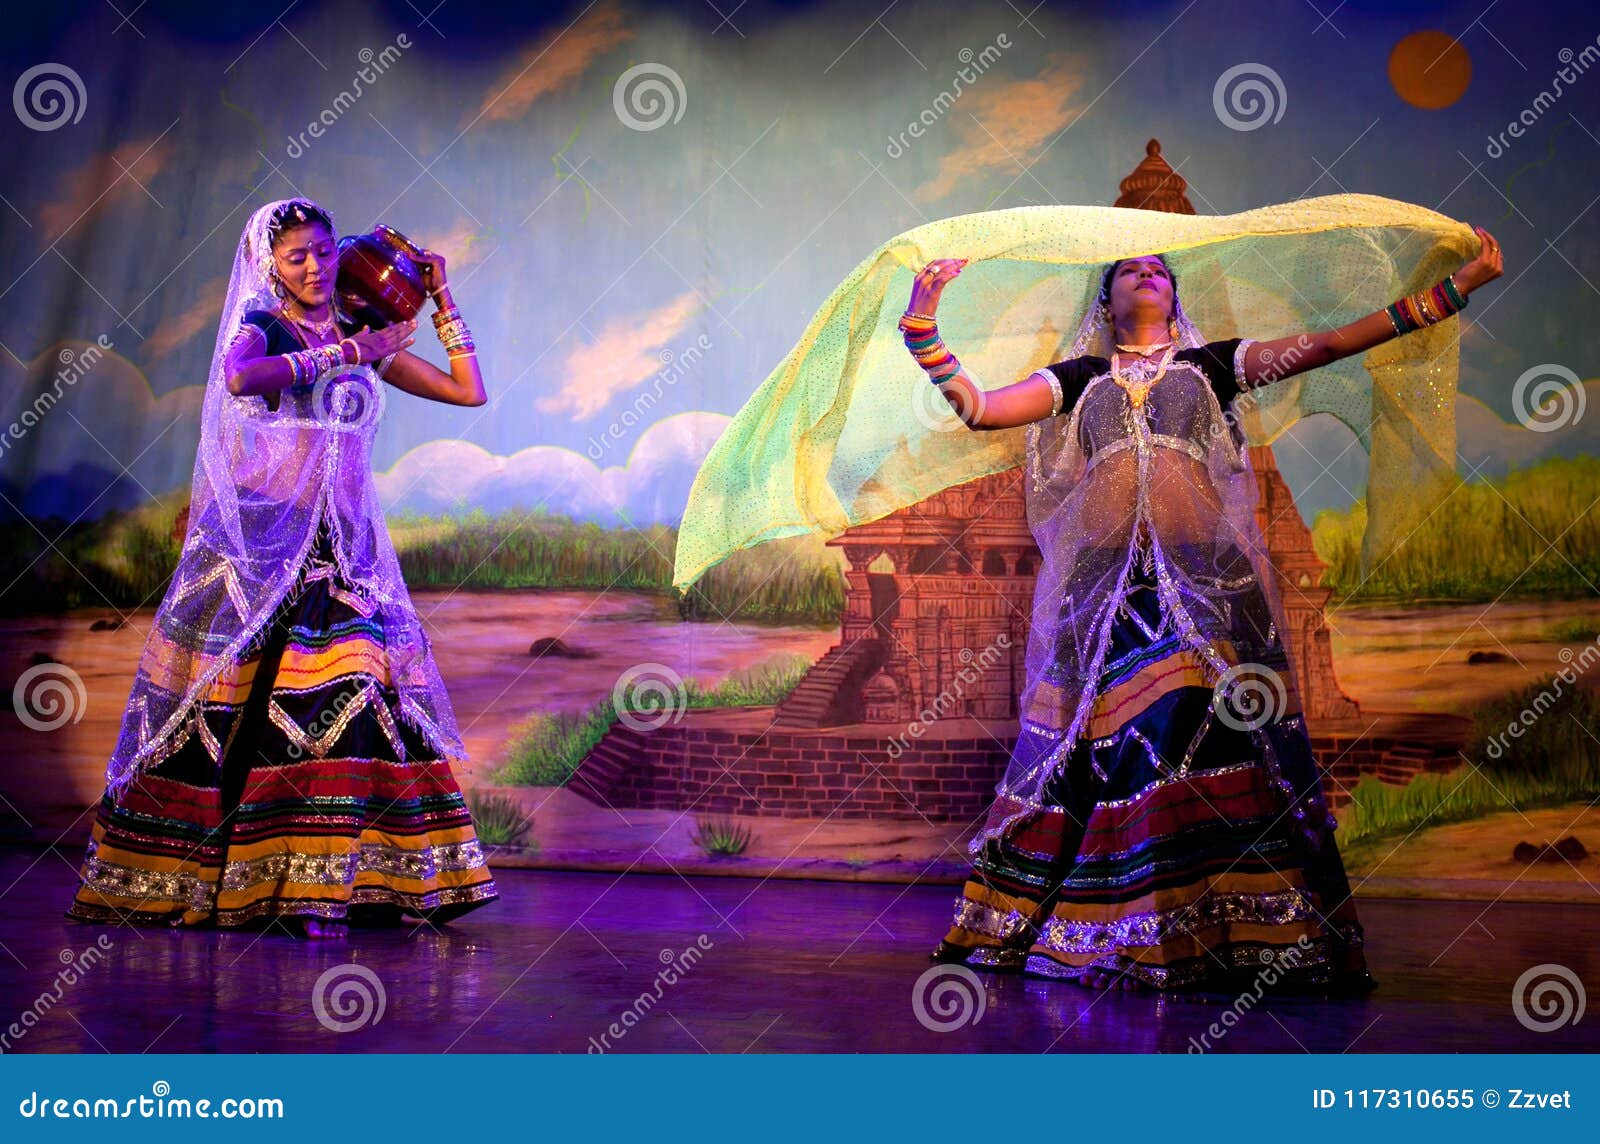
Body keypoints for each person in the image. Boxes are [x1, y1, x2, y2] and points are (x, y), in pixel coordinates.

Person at [899, 227, 1503, 993]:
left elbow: (1326, 345)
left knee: (1211, 735)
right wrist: (924, 328)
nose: (1148, 274)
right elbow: (981, 409)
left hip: (1209, 590)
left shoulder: (1213, 364)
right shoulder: (1079, 378)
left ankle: (1230, 928)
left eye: (1160, 269)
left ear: (1174, 298)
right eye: (1130, 269)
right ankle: (1119, 927)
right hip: (1107, 595)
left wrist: (1456, 291)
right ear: (1108, 299)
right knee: (1106, 753)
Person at [68, 197, 498, 939]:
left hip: (343, 554)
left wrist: (440, 296)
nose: (313, 267)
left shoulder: (365, 334)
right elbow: (241, 378)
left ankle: (330, 887)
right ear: (271, 264)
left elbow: (469, 390)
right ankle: (234, 883)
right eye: (296, 256)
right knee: (227, 720)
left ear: (340, 252)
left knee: (355, 696)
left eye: (324, 252)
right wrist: (344, 355)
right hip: (261, 552)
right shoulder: (267, 326)